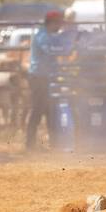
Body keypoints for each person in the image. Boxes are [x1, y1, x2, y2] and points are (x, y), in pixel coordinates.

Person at [25, 10, 65, 151]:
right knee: (38, 109)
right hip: (39, 77)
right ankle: (30, 145)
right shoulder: (42, 36)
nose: (60, 25)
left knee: (49, 111)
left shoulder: (46, 35)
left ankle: (53, 144)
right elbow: (51, 50)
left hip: (45, 77)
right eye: (58, 22)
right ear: (52, 23)